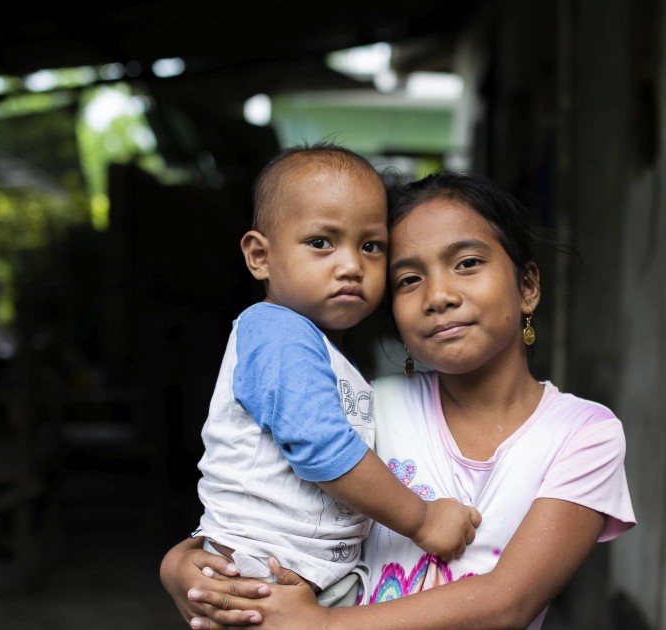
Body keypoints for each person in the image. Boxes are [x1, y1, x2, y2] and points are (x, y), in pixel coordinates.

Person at [160, 170, 636, 630]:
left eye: (467, 263)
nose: (439, 296)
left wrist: (322, 624)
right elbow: (268, 504)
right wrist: (180, 563)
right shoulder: (369, 409)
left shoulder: (583, 434)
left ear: (527, 286)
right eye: (409, 279)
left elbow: (508, 604)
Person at [189, 144, 483, 609]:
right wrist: (423, 520)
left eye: (371, 246)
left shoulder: (317, 347)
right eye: (321, 242)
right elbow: (322, 448)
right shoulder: (276, 332)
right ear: (260, 256)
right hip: (257, 575)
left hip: (300, 575)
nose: (351, 266)